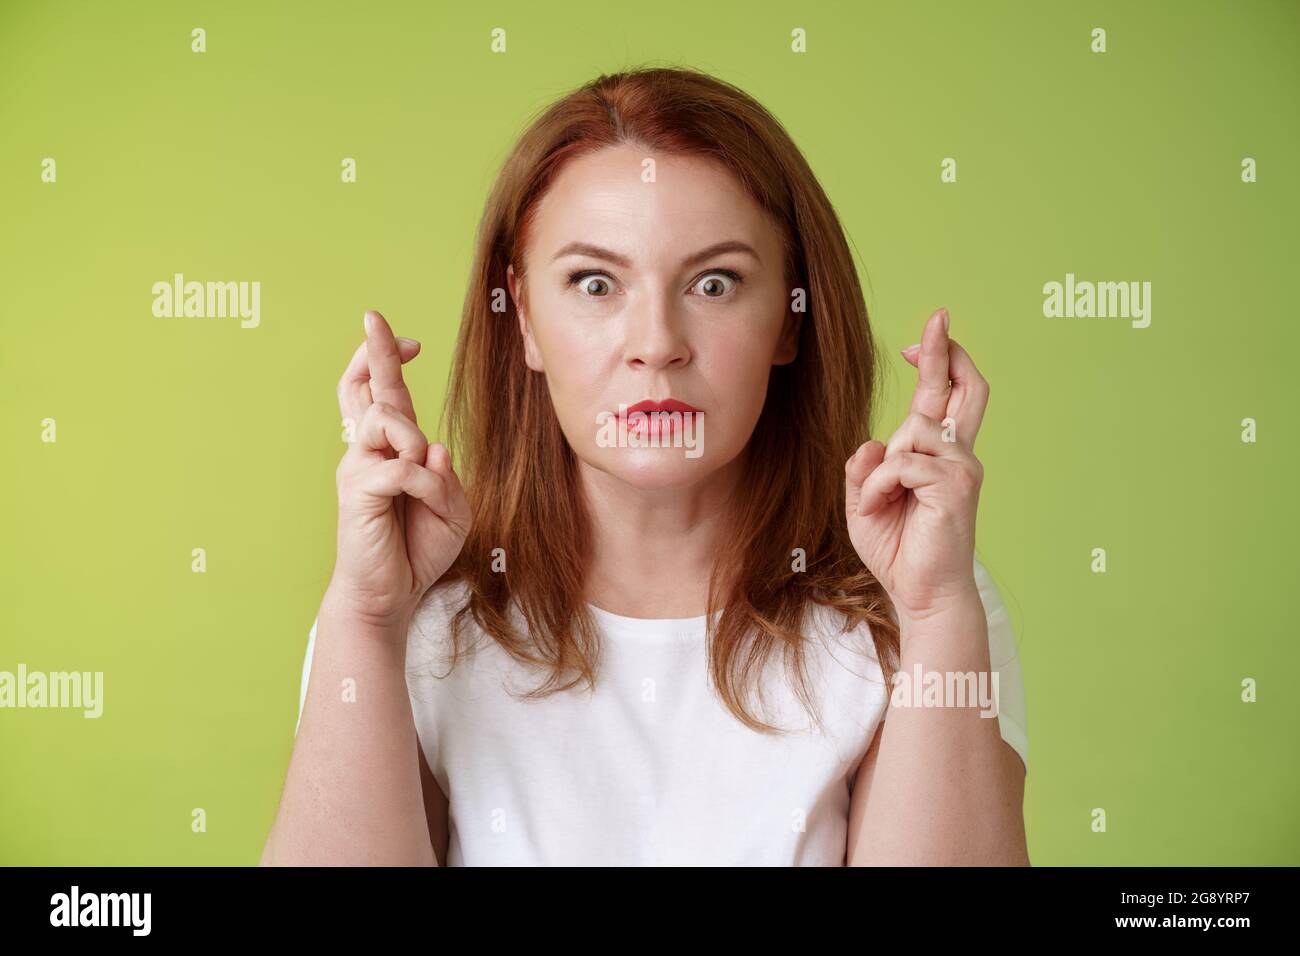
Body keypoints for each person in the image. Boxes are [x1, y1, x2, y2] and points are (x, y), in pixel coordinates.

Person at [261, 66, 1029, 866]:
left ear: (790, 321)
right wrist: (366, 617)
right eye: (595, 283)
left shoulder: (918, 605)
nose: (656, 342)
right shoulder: (406, 613)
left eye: (714, 282)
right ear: (523, 319)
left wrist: (937, 614)